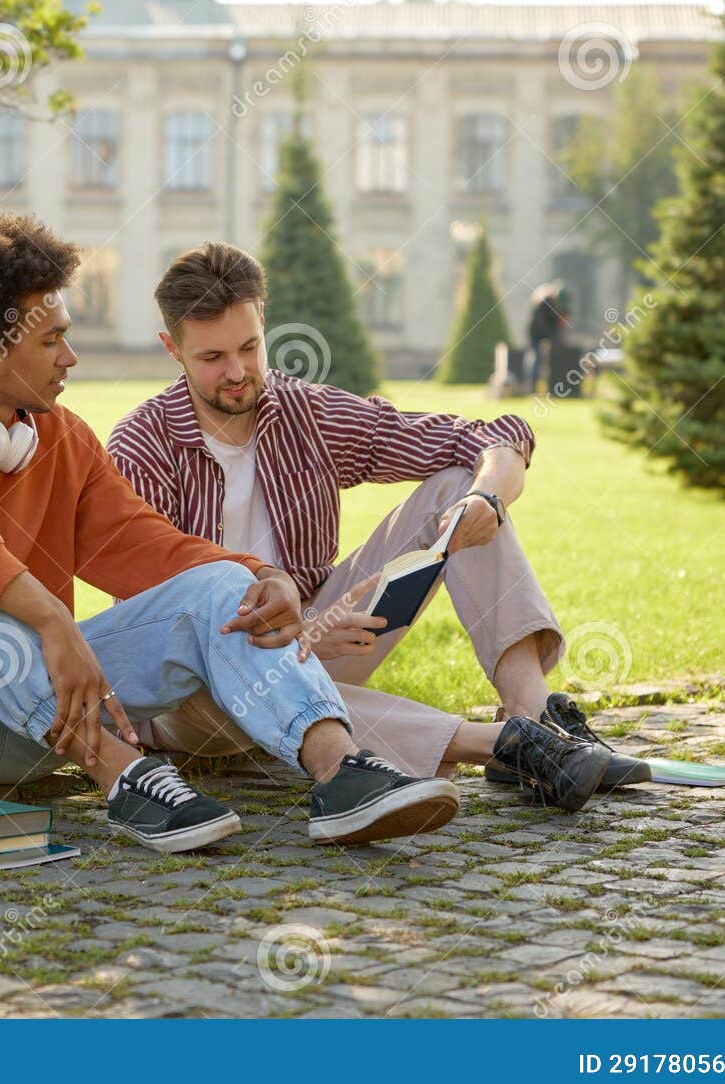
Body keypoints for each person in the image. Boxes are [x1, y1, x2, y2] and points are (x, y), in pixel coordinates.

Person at [0, 214, 467, 855]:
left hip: (31, 733)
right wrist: (45, 614)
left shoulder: (64, 440)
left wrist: (258, 576)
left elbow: (147, 547)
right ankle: (124, 774)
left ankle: (340, 771)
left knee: (219, 586)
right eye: (51, 342)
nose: (70, 357)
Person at [106, 242, 647, 810]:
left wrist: (486, 496)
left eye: (249, 347)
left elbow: (490, 439)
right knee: (229, 672)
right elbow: (162, 636)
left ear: (264, 321)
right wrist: (304, 632)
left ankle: (536, 720)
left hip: (324, 633)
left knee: (456, 489)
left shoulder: (305, 415)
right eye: (213, 357)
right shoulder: (141, 448)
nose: (239, 372)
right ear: (173, 348)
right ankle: (500, 747)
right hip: (200, 699)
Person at [525, 283, 570, 395]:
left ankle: (554, 385)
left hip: (543, 333)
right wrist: (551, 336)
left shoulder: (554, 304)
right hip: (537, 334)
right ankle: (532, 388)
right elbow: (542, 323)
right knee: (536, 358)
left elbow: (557, 323)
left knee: (550, 358)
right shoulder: (545, 303)